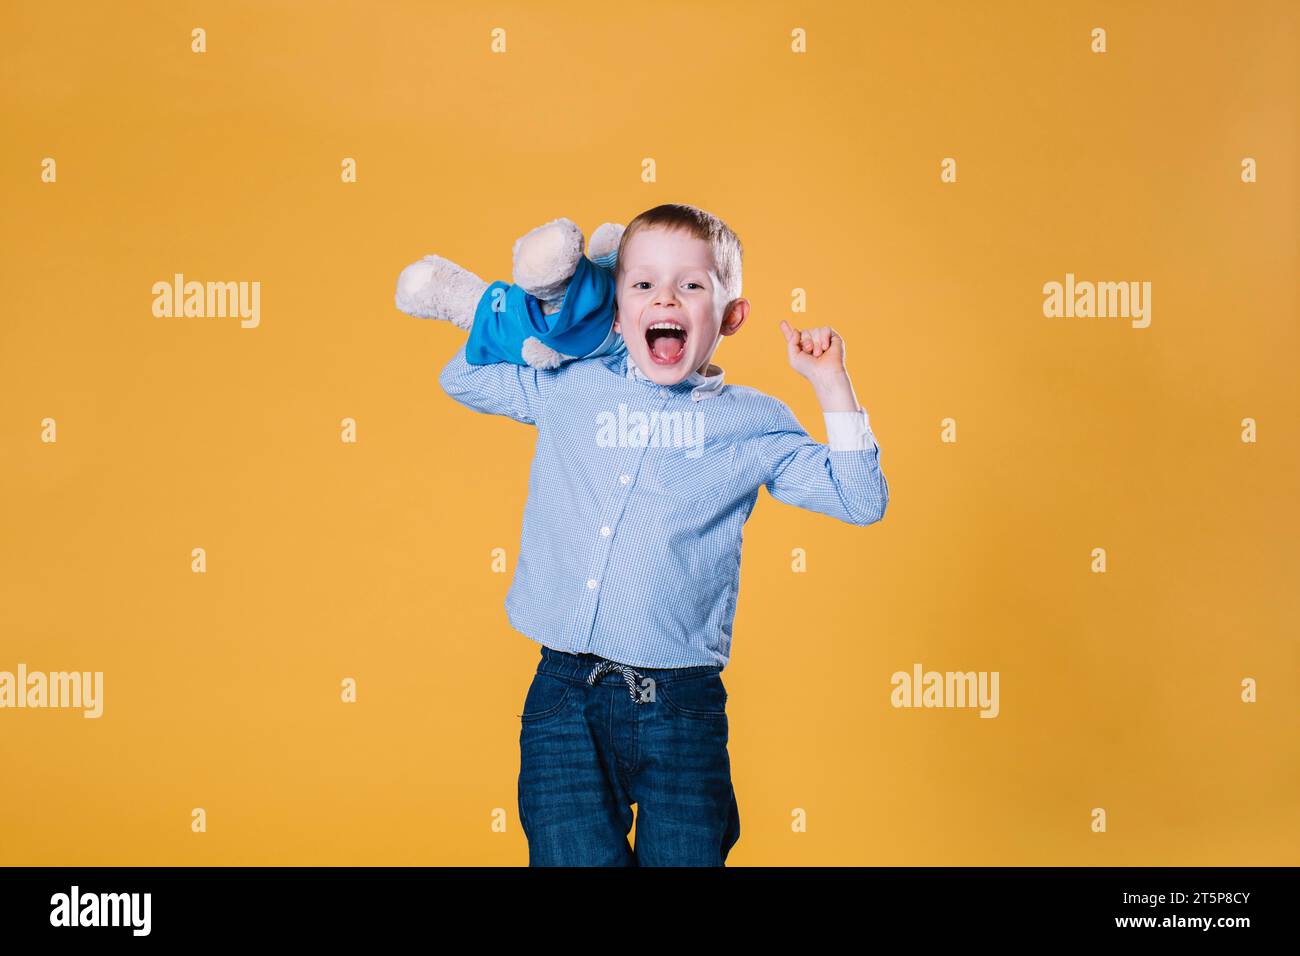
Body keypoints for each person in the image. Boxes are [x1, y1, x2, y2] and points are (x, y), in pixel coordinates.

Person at [438, 203, 889, 865]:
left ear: (731, 316)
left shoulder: (754, 422)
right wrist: (563, 327)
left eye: (692, 285)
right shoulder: (571, 383)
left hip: (681, 707)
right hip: (565, 696)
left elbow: (860, 498)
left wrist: (831, 383)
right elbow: (461, 376)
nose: (665, 297)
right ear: (617, 310)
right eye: (642, 284)